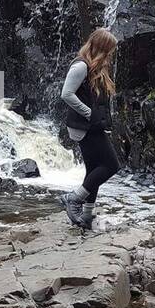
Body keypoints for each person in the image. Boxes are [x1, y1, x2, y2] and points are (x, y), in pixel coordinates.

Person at [58, 28, 121, 229]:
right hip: (84, 126)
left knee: (94, 169)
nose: (111, 55)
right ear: (101, 49)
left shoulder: (94, 67)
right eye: (109, 51)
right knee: (112, 166)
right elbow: (66, 94)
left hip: (91, 126)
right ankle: (74, 199)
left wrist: (104, 123)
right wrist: (90, 114)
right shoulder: (80, 66)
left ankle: (87, 215)